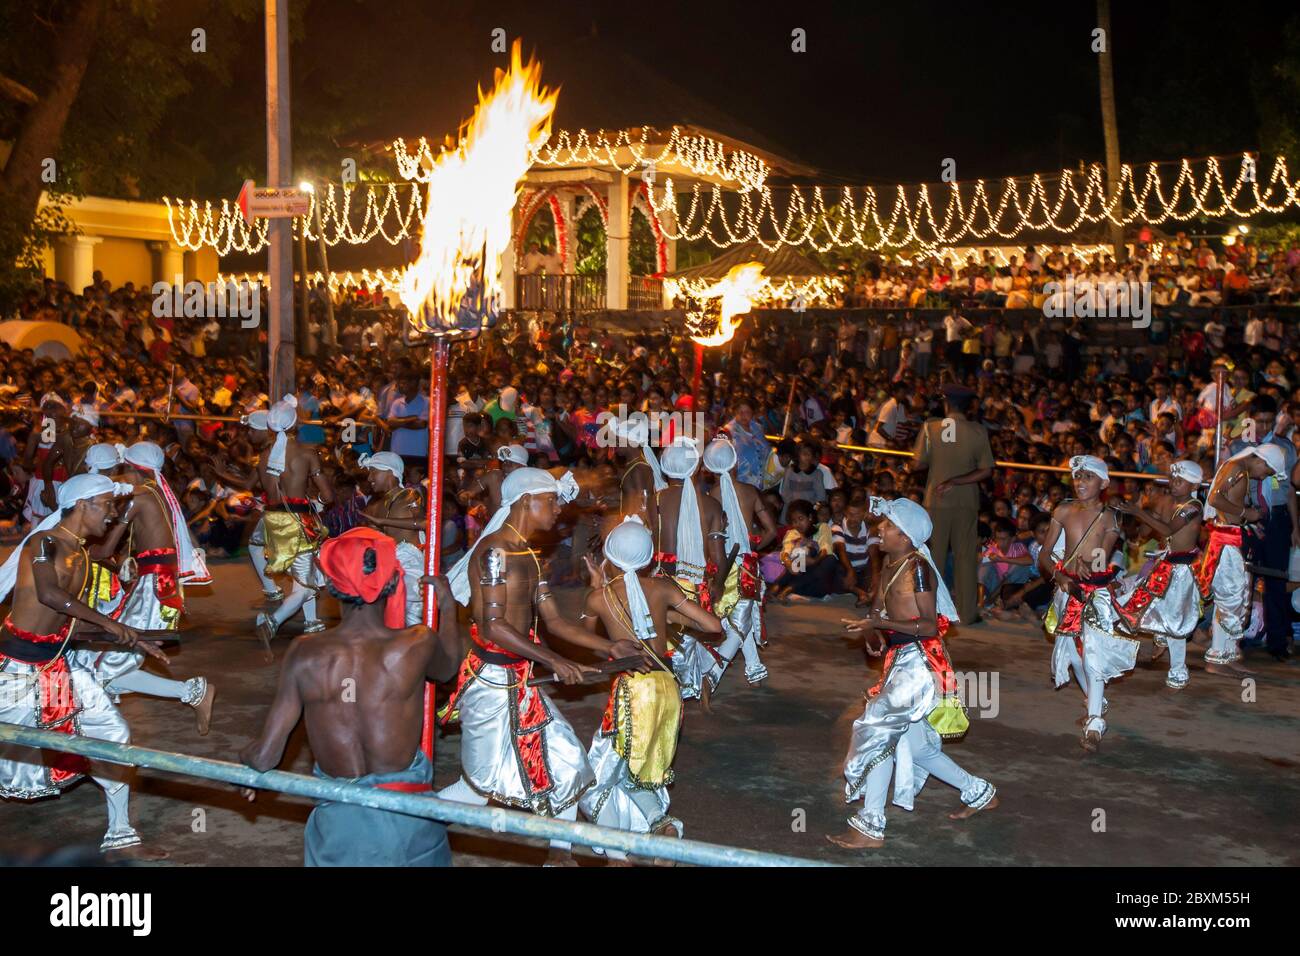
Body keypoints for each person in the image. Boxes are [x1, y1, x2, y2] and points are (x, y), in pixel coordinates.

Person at [238, 528, 462, 866]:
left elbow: (267, 756)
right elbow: (447, 670)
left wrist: (246, 762)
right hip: (407, 822)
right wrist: (449, 608)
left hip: (341, 831)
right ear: (391, 581)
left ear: (332, 588)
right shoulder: (416, 644)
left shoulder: (304, 654)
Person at [439, 468, 606, 867]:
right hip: (492, 682)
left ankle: (559, 854)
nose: (558, 509)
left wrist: (609, 646)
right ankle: (398, 820)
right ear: (525, 501)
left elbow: (556, 623)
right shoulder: (494, 552)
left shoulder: (530, 555)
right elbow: (492, 626)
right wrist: (554, 660)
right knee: (477, 790)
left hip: (519, 681)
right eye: (550, 500)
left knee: (569, 762)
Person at [0, 475, 170, 859]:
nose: (112, 515)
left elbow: (65, 623)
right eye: (107, 505)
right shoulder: (42, 543)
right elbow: (49, 594)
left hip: (54, 667)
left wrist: (130, 635)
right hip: (12, 667)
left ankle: (121, 836)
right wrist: (112, 623)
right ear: (82, 505)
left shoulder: (81, 555)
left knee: (112, 735)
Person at [830, 497, 997, 849]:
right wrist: (872, 634)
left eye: (888, 526)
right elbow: (877, 610)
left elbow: (928, 626)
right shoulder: (889, 563)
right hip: (899, 659)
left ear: (906, 537)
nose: (880, 529)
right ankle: (978, 792)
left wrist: (881, 623)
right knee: (918, 749)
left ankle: (870, 825)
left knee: (877, 729)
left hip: (920, 663)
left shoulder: (918, 568)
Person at [575, 516, 721, 863]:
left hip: (633, 691)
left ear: (609, 556)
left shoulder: (599, 597)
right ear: (649, 558)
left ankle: (616, 855)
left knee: (591, 780)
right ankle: (662, 825)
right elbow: (713, 626)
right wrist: (669, 617)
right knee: (637, 775)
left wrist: (595, 588)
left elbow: (589, 643)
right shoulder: (663, 588)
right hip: (667, 688)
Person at [75, 441, 214, 733]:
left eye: (125, 469)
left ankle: (192, 691)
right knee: (114, 660)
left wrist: (74, 553)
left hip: (154, 586)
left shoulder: (140, 497)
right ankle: (104, 716)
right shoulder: (160, 493)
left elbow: (105, 550)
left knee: (107, 666)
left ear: (133, 469)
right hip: (157, 582)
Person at [1039, 456, 1137, 752]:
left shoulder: (1109, 517)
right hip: (1066, 589)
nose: (1080, 482)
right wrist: (1060, 576)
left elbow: (1103, 555)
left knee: (1093, 653)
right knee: (1073, 655)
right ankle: (1096, 698)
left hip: (1094, 590)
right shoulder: (1063, 510)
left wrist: (1088, 564)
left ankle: (1095, 722)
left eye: (1088, 477)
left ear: (1103, 483)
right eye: (1077, 477)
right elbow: (1044, 554)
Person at [1111, 460, 1204, 689]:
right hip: (1167, 564)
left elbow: (1168, 530)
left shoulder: (1194, 507)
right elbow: (1163, 529)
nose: (1173, 484)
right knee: (1141, 602)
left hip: (1182, 569)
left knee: (1175, 619)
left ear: (1193, 485)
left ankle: (1178, 669)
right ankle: (1160, 638)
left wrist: (1140, 512)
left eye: (1179, 481)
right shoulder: (1175, 504)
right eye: (1172, 479)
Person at [251, 397, 334, 652]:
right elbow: (328, 496)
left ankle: (311, 621)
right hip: (298, 522)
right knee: (303, 583)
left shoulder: (264, 456)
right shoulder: (306, 454)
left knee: (303, 574)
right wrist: (318, 500)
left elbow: (262, 487)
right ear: (295, 425)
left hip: (272, 520)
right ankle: (272, 622)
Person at [910, 384, 995, 624]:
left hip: (935, 500)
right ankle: (967, 614)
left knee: (932, 556)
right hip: (966, 500)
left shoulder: (931, 428)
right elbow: (986, 470)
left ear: (946, 403)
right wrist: (958, 480)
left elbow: (917, 464)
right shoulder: (978, 431)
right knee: (965, 556)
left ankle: (931, 612)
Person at [1200, 445, 1288, 674]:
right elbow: (1216, 498)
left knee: (1237, 598)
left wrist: (1248, 518)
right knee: (1229, 598)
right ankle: (1216, 659)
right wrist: (1246, 514)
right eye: (1267, 472)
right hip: (1226, 539)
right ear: (1262, 461)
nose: (1264, 477)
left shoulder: (1241, 471)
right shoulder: (1236, 468)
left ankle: (1228, 655)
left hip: (1232, 537)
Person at [653, 437, 726, 702]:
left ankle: (674, 690)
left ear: (664, 468)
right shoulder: (711, 506)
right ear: (695, 469)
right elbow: (717, 557)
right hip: (694, 581)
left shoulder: (655, 500)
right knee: (692, 634)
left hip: (660, 580)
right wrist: (716, 585)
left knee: (666, 638)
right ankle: (687, 688)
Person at [703, 437, 778, 689]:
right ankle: (712, 676)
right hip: (744, 565)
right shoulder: (749, 492)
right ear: (735, 464)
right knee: (740, 623)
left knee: (737, 620)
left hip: (720, 564)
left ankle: (755, 670)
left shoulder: (710, 497)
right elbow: (771, 530)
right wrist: (752, 548)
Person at [357, 452, 426, 626]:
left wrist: (382, 521)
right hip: (389, 564)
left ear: (389, 472)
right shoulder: (374, 506)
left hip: (410, 565)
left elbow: (425, 522)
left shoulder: (410, 495)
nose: (370, 477)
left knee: (413, 625)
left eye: (373, 472)